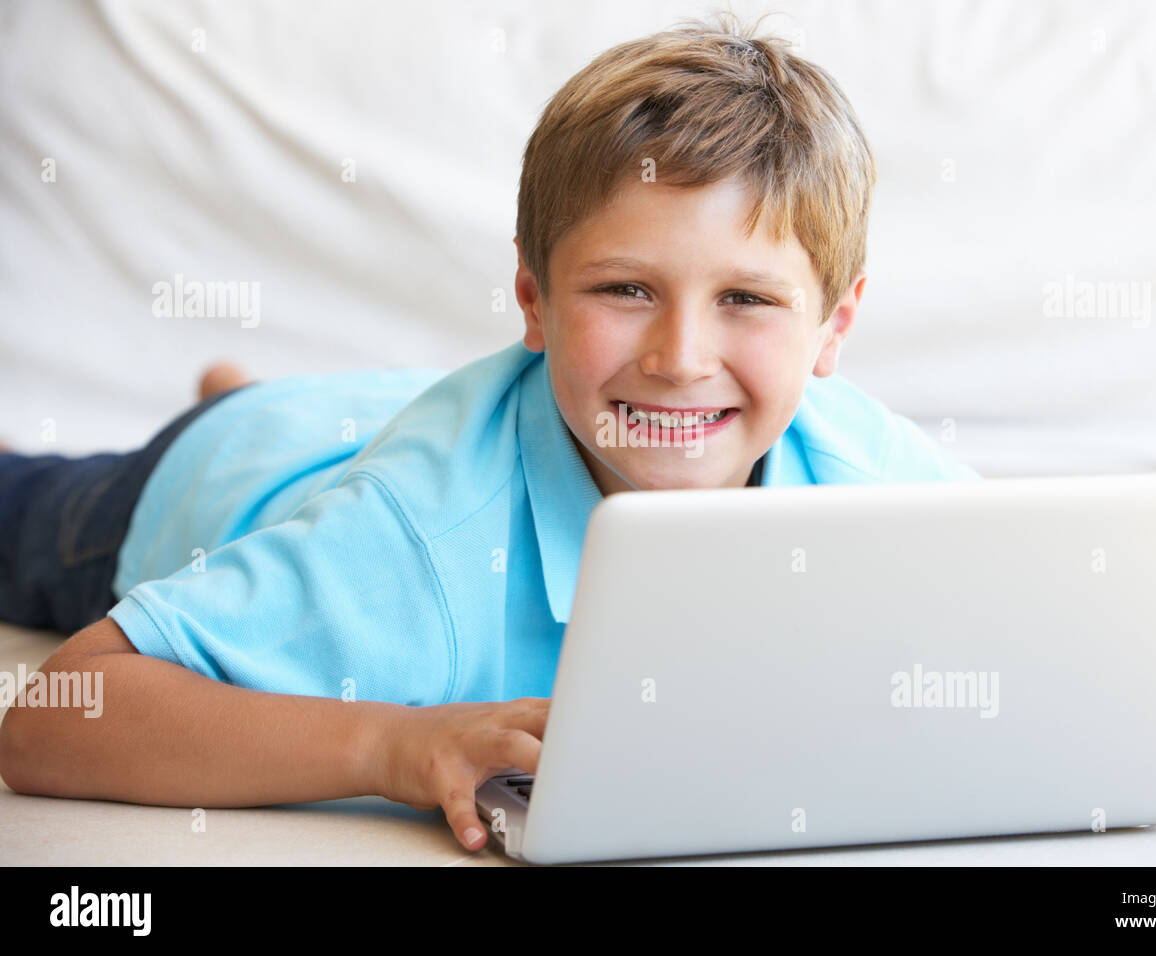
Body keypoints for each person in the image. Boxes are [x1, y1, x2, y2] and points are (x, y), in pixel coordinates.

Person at [0, 12, 980, 854]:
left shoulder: (872, 476)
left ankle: (258, 399)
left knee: (369, 445)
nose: (681, 356)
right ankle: (231, 408)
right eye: (626, 289)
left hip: (392, 421)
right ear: (533, 299)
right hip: (203, 475)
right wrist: (395, 745)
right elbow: (48, 720)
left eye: (747, 298)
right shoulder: (415, 543)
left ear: (833, 329)